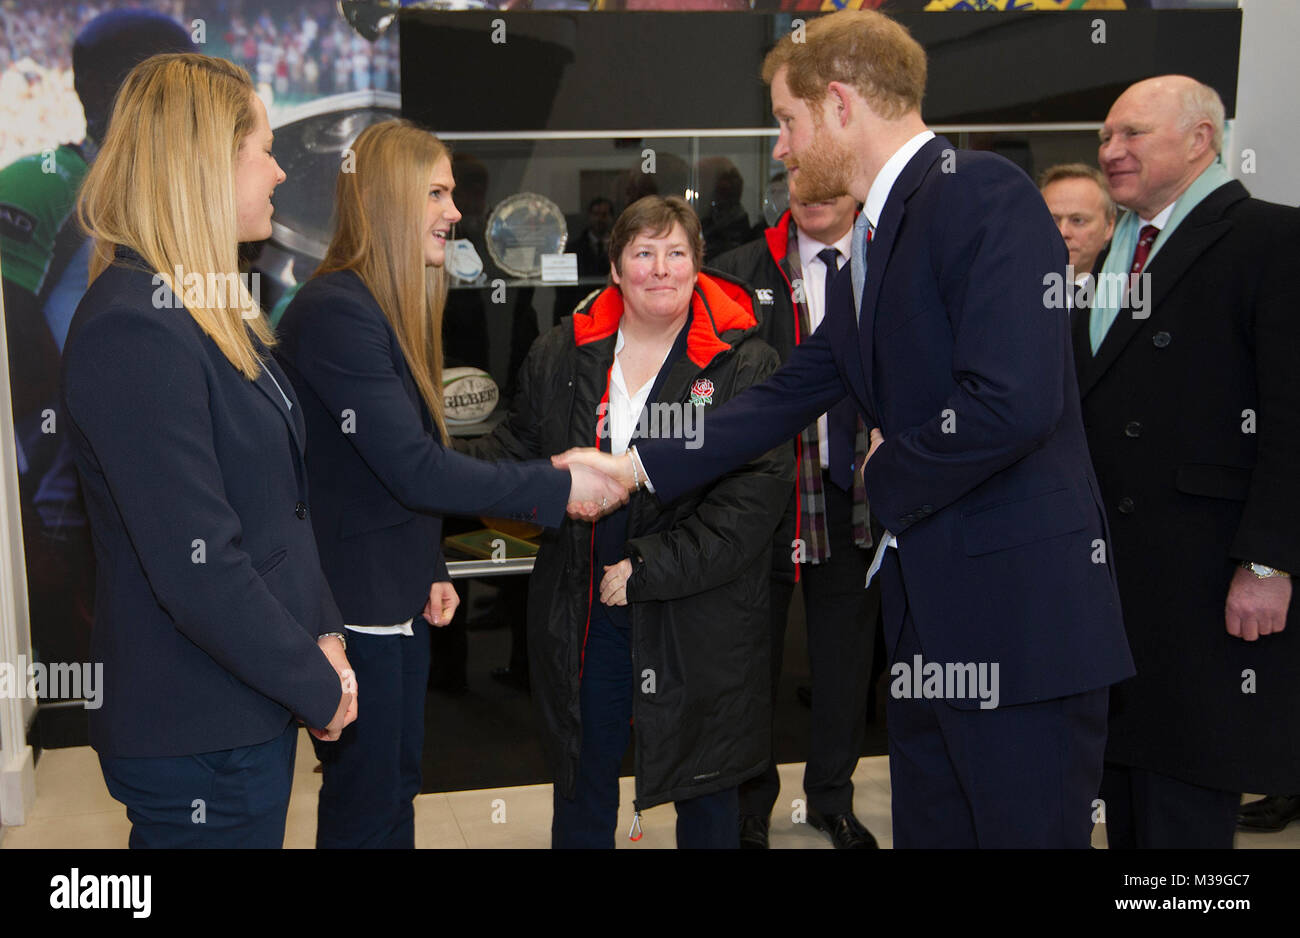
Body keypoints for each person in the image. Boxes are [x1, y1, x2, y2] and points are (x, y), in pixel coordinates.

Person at [558, 9, 1134, 848]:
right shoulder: (876, 233)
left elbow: (1013, 401)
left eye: (787, 121)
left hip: (1019, 624)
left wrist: (882, 472)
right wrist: (634, 466)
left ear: (838, 103)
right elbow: (791, 390)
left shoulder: (982, 194)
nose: (781, 148)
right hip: (929, 617)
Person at [274, 119, 624, 849]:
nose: (455, 211)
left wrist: (429, 563)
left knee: (393, 786)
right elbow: (414, 467)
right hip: (357, 606)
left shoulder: (378, 306)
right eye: (436, 193)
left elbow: (387, 469)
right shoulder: (337, 310)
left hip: (392, 593)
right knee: (367, 800)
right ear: (388, 198)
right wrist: (558, 484)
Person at [60, 53, 355, 848]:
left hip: (242, 701)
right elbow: (197, 567)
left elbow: (277, 511)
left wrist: (322, 631)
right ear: (204, 165)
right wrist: (313, 683)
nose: (280, 172)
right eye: (264, 150)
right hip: (197, 727)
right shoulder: (135, 329)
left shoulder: (201, 308)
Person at [458, 195, 793, 848]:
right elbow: (516, 451)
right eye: (644, 253)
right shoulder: (561, 353)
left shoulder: (745, 364)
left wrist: (650, 566)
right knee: (583, 784)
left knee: (707, 795)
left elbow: (752, 501)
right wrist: (423, 458)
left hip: (700, 616)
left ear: (699, 265)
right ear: (615, 267)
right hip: (584, 611)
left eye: (677, 253)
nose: (661, 269)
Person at [1076, 75, 1300, 848]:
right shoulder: (1116, 249)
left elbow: (1292, 416)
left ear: (1202, 138)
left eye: (1132, 134)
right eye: (1106, 137)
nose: (1111, 151)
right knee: (1126, 794)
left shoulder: (1272, 238)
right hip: (1115, 579)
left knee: (1186, 807)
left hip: (1209, 578)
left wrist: (1268, 562)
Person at [709, 190, 881, 848]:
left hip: (852, 497)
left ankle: (832, 800)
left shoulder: (887, 259)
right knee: (752, 663)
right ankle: (750, 806)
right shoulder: (737, 270)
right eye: (797, 179)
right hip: (762, 498)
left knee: (845, 663)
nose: (809, 194)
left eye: (826, 181)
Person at [1038, 163, 1116, 283]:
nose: (1062, 232)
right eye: (1053, 221)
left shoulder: (1130, 287)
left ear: (1109, 226)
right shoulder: (1015, 285)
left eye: (1077, 220)